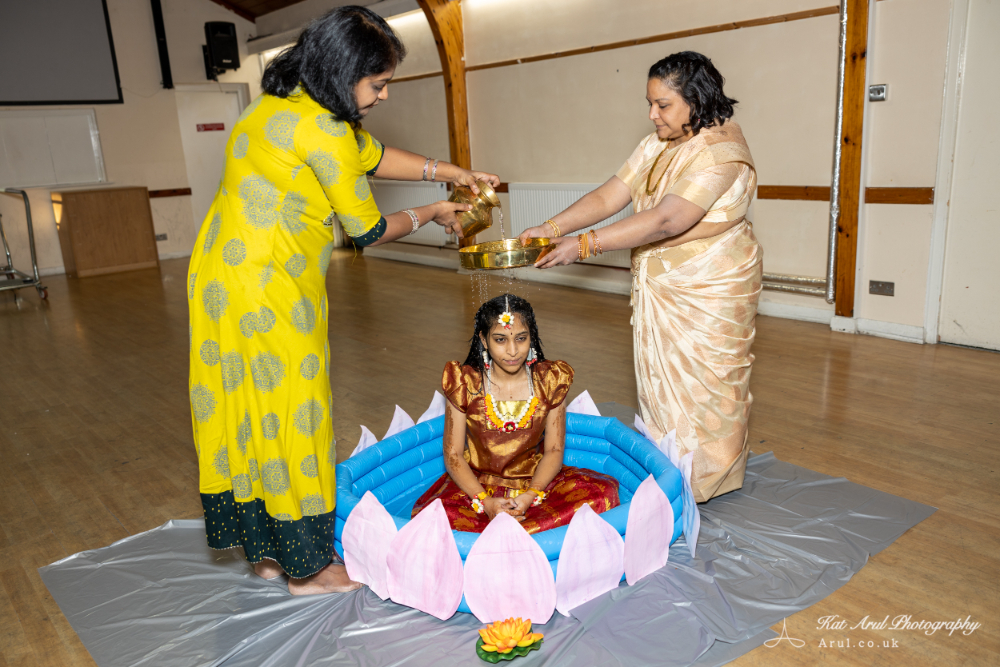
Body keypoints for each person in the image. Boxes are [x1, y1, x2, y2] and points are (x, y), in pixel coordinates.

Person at [187, 6, 499, 595]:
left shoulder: (281, 106)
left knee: (251, 413)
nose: (381, 97)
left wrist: (451, 171)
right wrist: (434, 211)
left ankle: (269, 555)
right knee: (296, 416)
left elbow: (373, 156)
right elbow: (369, 230)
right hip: (271, 288)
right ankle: (308, 568)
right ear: (343, 71)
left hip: (219, 282)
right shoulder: (326, 130)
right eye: (376, 83)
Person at [519, 51, 762, 503]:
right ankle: (669, 470)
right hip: (661, 284)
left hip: (708, 289)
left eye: (663, 105)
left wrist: (586, 245)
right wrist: (552, 228)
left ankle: (702, 479)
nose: (652, 115)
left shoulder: (719, 154)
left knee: (705, 389)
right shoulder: (659, 142)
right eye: (649, 103)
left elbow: (668, 220)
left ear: (696, 100)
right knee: (660, 384)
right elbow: (614, 192)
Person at [411, 294, 620, 533]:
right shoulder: (465, 382)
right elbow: (453, 455)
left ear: (532, 337)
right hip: (476, 485)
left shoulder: (549, 380)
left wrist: (531, 495)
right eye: (500, 340)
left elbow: (553, 450)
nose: (512, 351)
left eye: (521, 339)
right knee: (434, 519)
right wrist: (485, 502)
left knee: (601, 494)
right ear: (484, 340)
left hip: (535, 482)